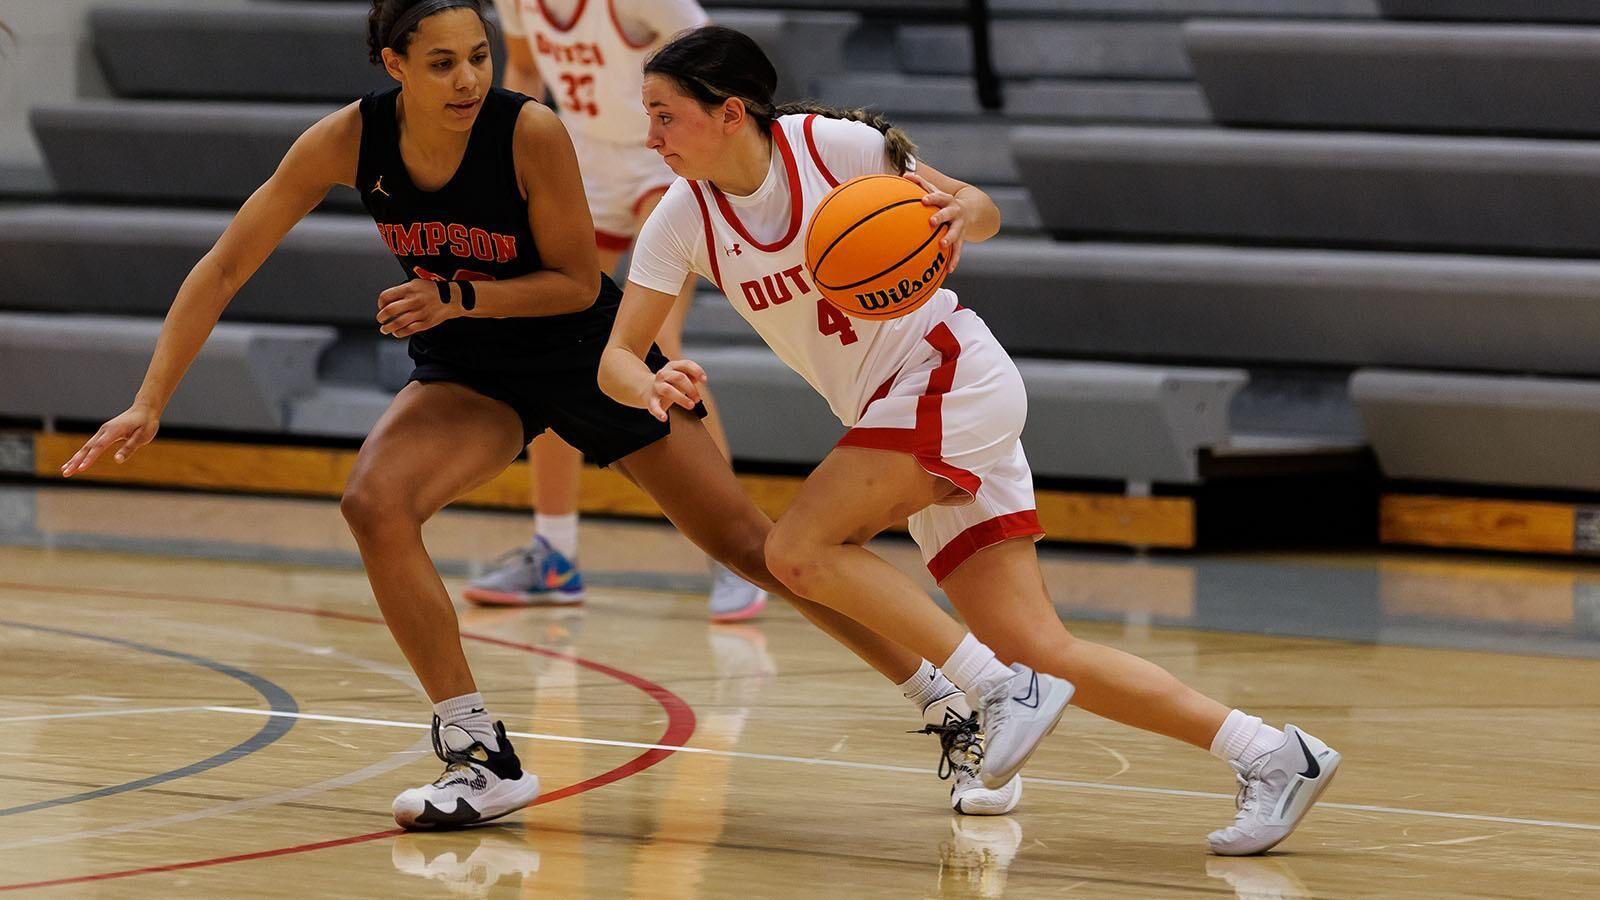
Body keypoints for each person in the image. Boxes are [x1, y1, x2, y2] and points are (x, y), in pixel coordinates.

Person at [59, 0, 1018, 827]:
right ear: (392, 67)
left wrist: (459, 297)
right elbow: (227, 262)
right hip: (471, 368)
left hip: (579, 348)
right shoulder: (347, 140)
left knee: (748, 543)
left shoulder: (528, 131)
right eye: (441, 63)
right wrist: (151, 399)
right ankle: (477, 753)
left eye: (480, 55)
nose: (470, 76)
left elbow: (571, 283)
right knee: (373, 504)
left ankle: (943, 701)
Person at [600, 24, 1343, 856]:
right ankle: (1273, 755)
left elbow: (975, 212)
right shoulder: (682, 217)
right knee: (1038, 644)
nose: (651, 136)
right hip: (894, 413)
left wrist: (966, 212)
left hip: (948, 372)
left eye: (665, 116)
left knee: (799, 550)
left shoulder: (835, 148)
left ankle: (993, 692)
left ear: (729, 112)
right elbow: (618, 357)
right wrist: (652, 382)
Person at [469, 0, 766, 621]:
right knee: (551, 353)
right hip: (581, 165)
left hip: (661, 159)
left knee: (660, 350)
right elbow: (524, 74)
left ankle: (738, 553)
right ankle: (555, 551)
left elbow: (710, 62)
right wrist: (502, 156)